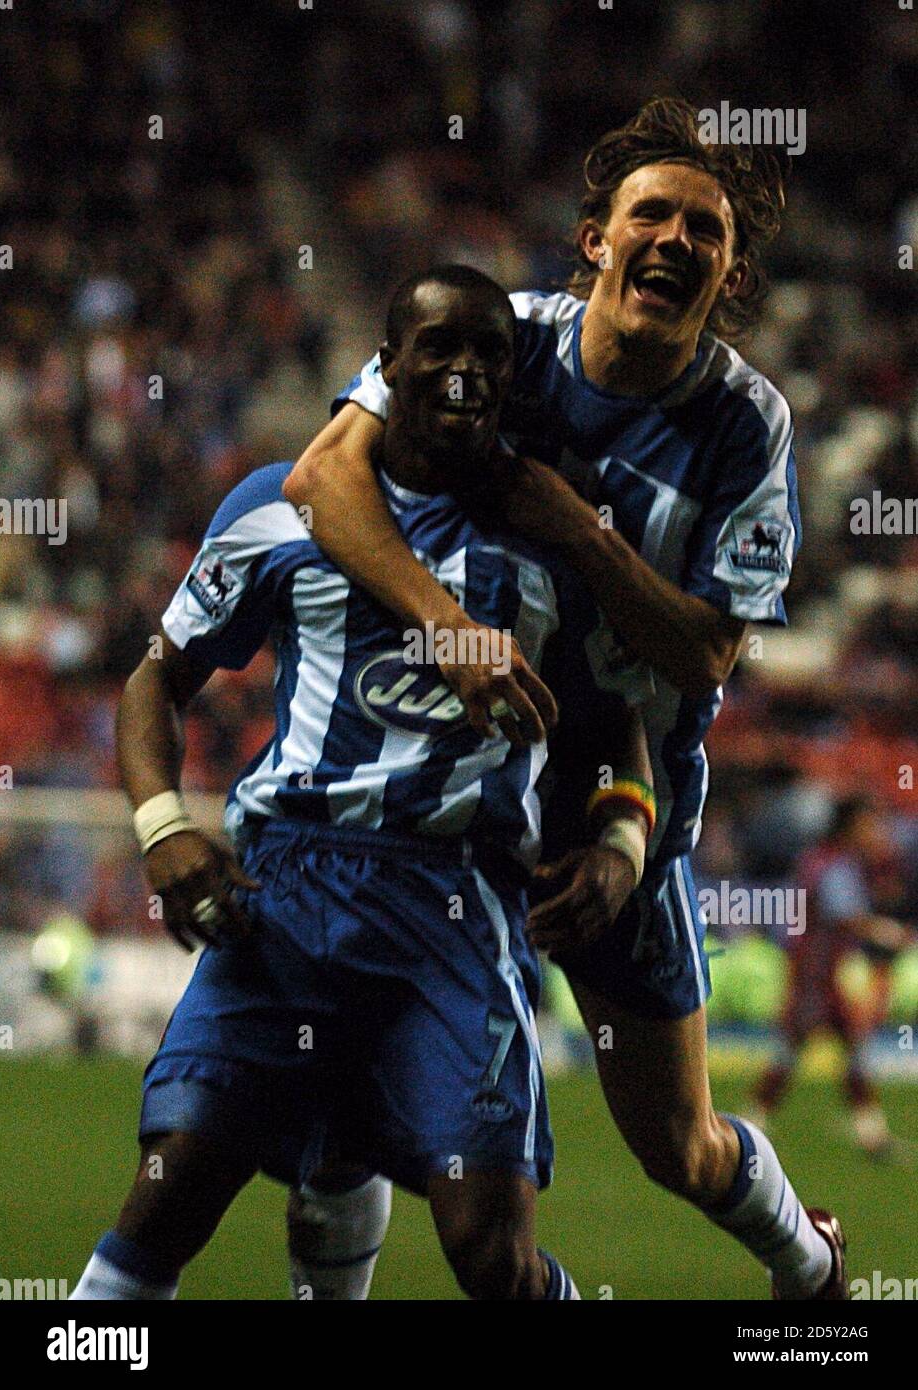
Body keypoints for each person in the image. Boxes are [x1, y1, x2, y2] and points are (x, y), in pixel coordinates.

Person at [282, 97, 848, 1299]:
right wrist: (445, 626)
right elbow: (323, 473)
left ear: (729, 273)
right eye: (654, 213)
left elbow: (705, 657)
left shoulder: (747, 428)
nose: (678, 240)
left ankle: (809, 1267)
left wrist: (572, 530)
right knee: (345, 1093)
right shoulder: (502, 339)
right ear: (597, 239)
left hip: (615, 800)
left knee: (680, 1149)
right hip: (447, 789)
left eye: (707, 231)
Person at [70, 265, 650, 1302]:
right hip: (289, 896)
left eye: (488, 355)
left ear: (513, 384)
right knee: (171, 1191)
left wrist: (621, 842)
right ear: (385, 367)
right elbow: (158, 676)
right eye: (439, 348)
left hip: (459, 907)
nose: (464, 371)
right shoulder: (276, 504)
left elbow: (617, 728)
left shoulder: (554, 536)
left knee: (492, 1255)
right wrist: (164, 826)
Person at [752, 796, 916, 1159]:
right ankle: (750, 1128)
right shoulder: (834, 865)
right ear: (849, 826)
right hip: (817, 973)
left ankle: (872, 1137)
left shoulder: (821, 860)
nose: (873, 832)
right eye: (867, 824)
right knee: (793, 1050)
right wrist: (886, 931)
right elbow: (843, 916)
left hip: (820, 971)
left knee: (848, 1048)